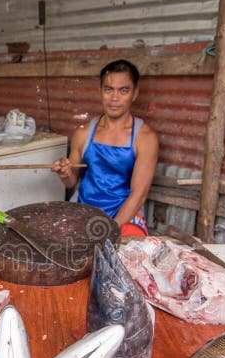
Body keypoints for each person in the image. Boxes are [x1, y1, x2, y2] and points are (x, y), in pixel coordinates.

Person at [52, 59, 158, 236]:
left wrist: (111, 228)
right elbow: (71, 182)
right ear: (100, 91)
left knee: (128, 256)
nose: (115, 98)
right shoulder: (83, 133)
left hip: (124, 215)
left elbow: (139, 194)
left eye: (123, 90)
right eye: (109, 90)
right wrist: (65, 173)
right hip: (84, 208)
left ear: (135, 94)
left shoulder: (145, 138)